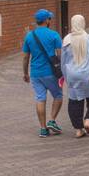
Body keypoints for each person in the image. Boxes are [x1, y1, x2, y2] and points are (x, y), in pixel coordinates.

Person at [22, 8, 64, 137]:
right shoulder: (54, 35)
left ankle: (43, 128)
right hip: (51, 72)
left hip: (35, 73)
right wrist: (62, 70)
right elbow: (60, 55)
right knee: (58, 96)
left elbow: (25, 57)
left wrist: (25, 73)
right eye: (49, 18)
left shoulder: (29, 36)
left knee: (40, 99)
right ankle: (52, 120)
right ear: (46, 20)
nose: (50, 20)